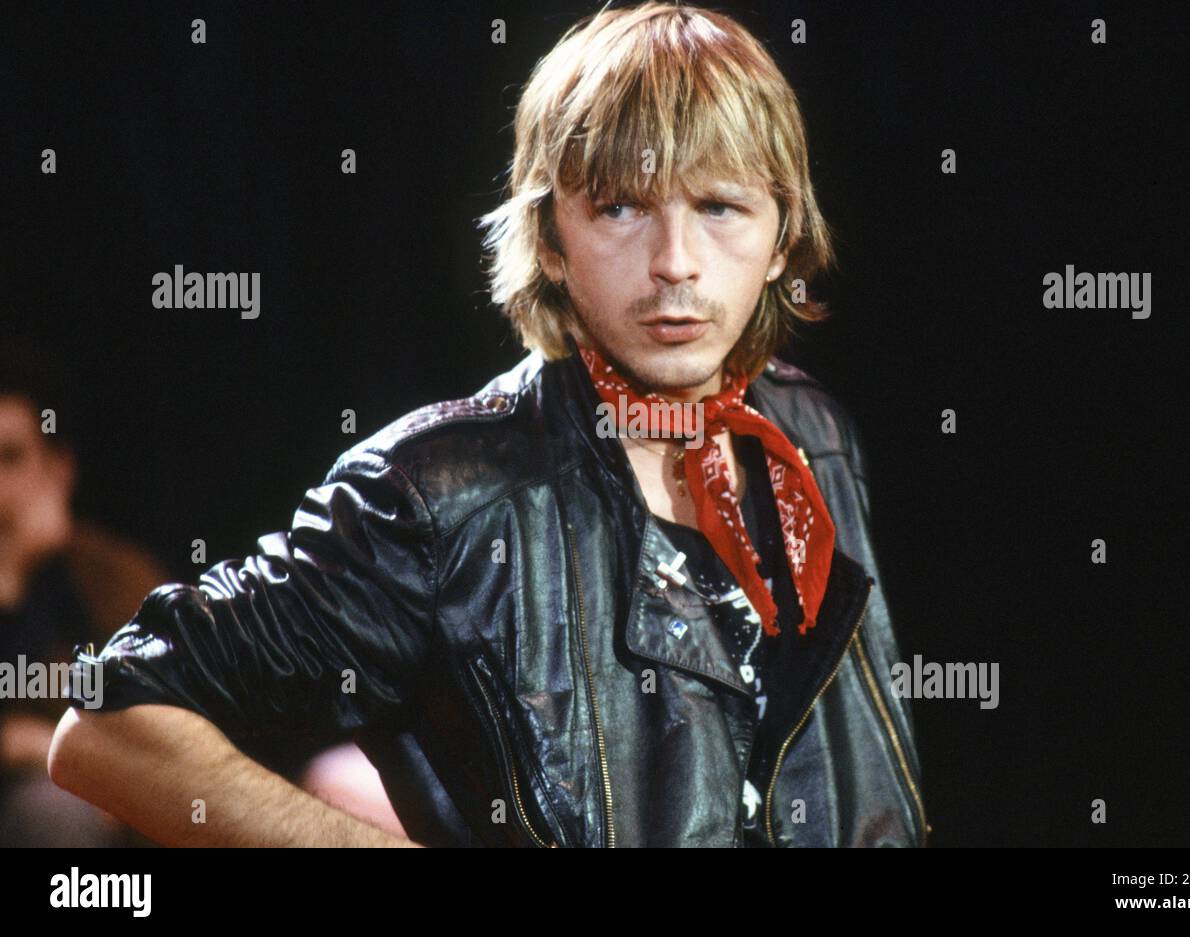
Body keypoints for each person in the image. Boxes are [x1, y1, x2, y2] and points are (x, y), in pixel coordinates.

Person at [49, 1, 928, 847]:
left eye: (719, 207)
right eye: (622, 206)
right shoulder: (438, 497)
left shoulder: (812, 431)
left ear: (782, 239)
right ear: (551, 237)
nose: (675, 263)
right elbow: (105, 724)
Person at [0, 343, 165, 845]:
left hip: (70, 804)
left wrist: (45, 746)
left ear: (58, 469)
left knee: (55, 815)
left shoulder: (113, 577)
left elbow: (157, 738)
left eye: (10, 459)